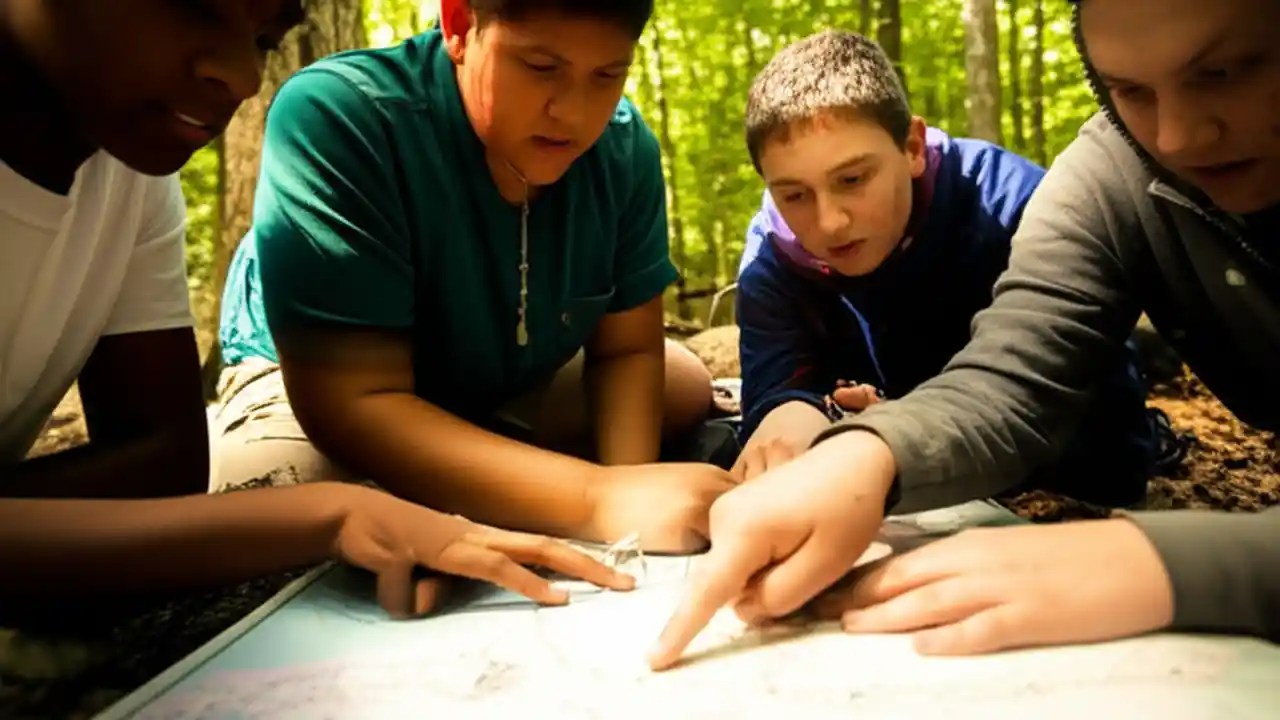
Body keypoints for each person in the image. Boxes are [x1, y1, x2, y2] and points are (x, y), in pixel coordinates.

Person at [648, 0, 1280, 670]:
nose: (1174, 138)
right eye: (1129, 91)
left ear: (912, 147)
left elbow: (1097, 419)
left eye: (1224, 73)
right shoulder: (1111, 175)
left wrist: (1174, 565)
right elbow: (1013, 380)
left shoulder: (1011, 199)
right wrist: (863, 449)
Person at [0, 0, 631, 620]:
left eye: (266, 40)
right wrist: (334, 516)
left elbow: (164, 470)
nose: (245, 78)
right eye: (196, 10)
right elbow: (340, 413)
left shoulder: (131, 182)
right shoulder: (349, 115)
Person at [211, 0, 733, 553]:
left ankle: (474, 476)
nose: (574, 112)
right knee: (282, 493)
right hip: (314, 390)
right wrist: (600, 500)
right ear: (459, 26)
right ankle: (478, 483)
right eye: (541, 68)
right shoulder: (344, 114)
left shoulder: (624, 148)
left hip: (498, 382)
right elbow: (351, 402)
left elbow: (627, 350)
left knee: (682, 383)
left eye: (607, 75)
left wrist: (634, 494)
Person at [731, 29, 1168, 510]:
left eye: (852, 179)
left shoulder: (1018, 209)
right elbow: (774, 385)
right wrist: (789, 411)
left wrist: (904, 438)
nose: (830, 222)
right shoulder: (770, 258)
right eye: (794, 195)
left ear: (913, 147)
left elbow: (1108, 439)